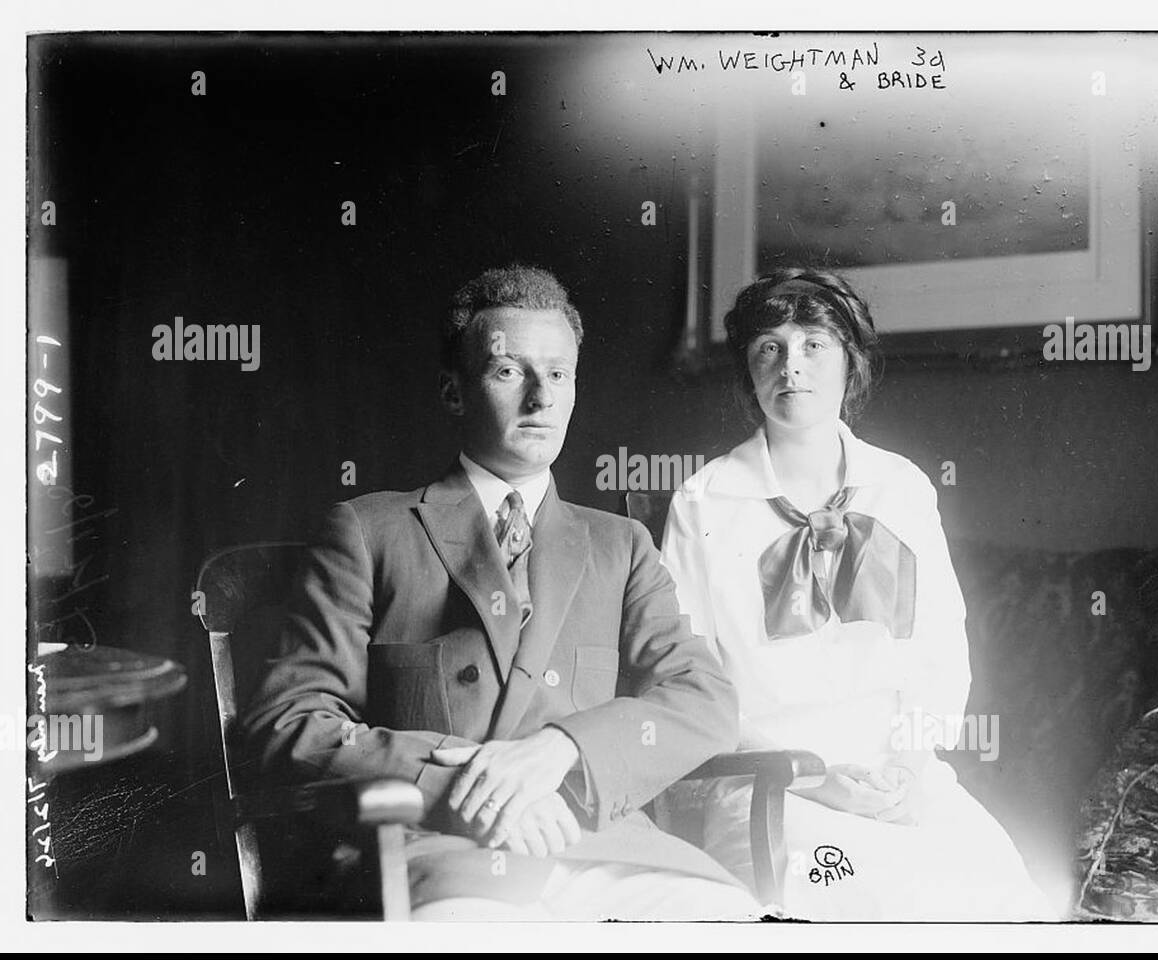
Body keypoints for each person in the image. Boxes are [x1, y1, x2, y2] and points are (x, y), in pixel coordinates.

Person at [245, 264, 760, 921]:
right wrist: (467, 780)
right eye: (510, 371)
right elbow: (292, 720)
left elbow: (705, 698)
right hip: (441, 849)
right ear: (454, 391)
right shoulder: (371, 530)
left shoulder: (620, 544)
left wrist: (563, 748)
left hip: (605, 848)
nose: (541, 398)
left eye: (559, 374)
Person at [660, 268, 1051, 920]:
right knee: (854, 903)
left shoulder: (901, 486)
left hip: (896, 775)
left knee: (1003, 899)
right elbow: (690, 682)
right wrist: (817, 778)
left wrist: (907, 764)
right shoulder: (703, 501)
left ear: (852, 363)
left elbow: (939, 654)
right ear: (748, 372)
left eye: (814, 344)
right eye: (769, 348)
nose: (791, 366)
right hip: (768, 781)